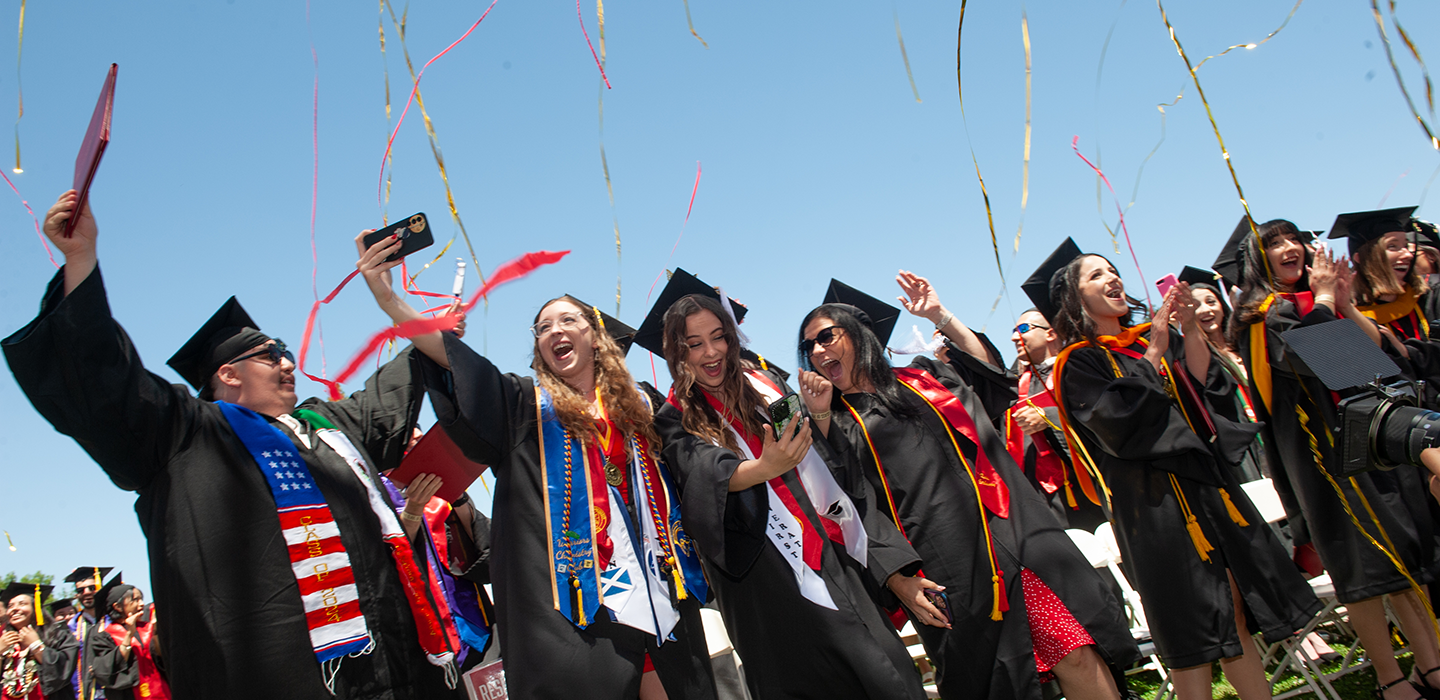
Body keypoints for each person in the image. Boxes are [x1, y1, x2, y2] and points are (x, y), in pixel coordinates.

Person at [2, 191, 463, 699]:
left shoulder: (329, 427)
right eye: (271, 355)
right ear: (228, 373)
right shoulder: (184, 433)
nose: (288, 363)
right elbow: (104, 386)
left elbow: (405, 377)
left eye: (285, 351)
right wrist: (81, 259)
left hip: (394, 670)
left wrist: (417, 319)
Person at [356, 234, 716, 700]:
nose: (555, 331)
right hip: (577, 618)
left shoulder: (641, 408)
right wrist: (389, 299)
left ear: (594, 335)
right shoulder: (524, 407)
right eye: (543, 327)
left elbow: (697, 463)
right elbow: (457, 361)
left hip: (661, 598)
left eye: (568, 320)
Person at [800, 275, 1137, 700]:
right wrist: (898, 578)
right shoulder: (836, 423)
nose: (816, 351)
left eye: (826, 336)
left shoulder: (924, 376)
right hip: (946, 564)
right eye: (808, 346)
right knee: (1000, 682)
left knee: (1074, 647)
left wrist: (940, 316)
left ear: (860, 336)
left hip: (1014, 532)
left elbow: (992, 378)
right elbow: (845, 506)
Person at [1042, 238, 1323, 700]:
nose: (1112, 277)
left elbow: (1201, 395)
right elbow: (1120, 423)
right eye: (1095, 275)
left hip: (1205, 491)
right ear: (1074, 300)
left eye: (1112, 270)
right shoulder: (1081, 363)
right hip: (1158, 509)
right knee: (1195, 636)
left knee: (1233, 612)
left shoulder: (1143, 343)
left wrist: (1189, 330)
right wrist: (1155, 349)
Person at [640, 272, 928, 700]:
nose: (711, 351)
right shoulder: (674, 417)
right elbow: (705, 472)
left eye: (718, 337)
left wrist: (821, 414)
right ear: (676, 353)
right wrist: (765, 467)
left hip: (831, 557)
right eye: (694, 344)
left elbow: (831, 471)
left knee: (890, 680)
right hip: (769, 583)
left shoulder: (765, 386)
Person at [1229, 218, 1440, 700]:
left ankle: (1430, 665)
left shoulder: (1309, 305)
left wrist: (1339, 303)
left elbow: (1373, 367)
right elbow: (1321, 360)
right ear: (1257, 261)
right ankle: (1389, 678)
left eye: (1293, 238)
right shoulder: (1263, 318)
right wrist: (1325, 301)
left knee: (1403, 557)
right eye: (1274, 243)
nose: (1289, 248)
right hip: (1326, 462)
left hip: (1369, 446)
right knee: (1363, 571)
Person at [1179, 265, 1269, 483]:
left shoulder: (1246, 343)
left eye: (1211, 302)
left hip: (1271, 427)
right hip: (1242, 441)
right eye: (1196, 305)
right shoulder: (1192, 357)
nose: (1205, 310)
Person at [88, 580, 167, 700]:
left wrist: (156, 631)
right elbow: (108, 669)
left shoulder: (148, 628)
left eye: (141, 599)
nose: (141, 604)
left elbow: (163, 658)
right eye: (135, 600)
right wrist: (129, 634)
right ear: (118, 606)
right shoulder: (104, 638)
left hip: (163, 692)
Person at [1, 582, 78, 700]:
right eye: (10, 606)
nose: (14, 609)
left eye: (22, 604)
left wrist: (36, 645)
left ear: (36, 607)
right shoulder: (5, 641)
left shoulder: (58, 636)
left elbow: (64, 671)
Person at [60, 568, 110, 700]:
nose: (86, 593)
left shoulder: (114, 619)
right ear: (76, 595)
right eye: (80, 590)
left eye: (92, 587)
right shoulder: (71, 627)